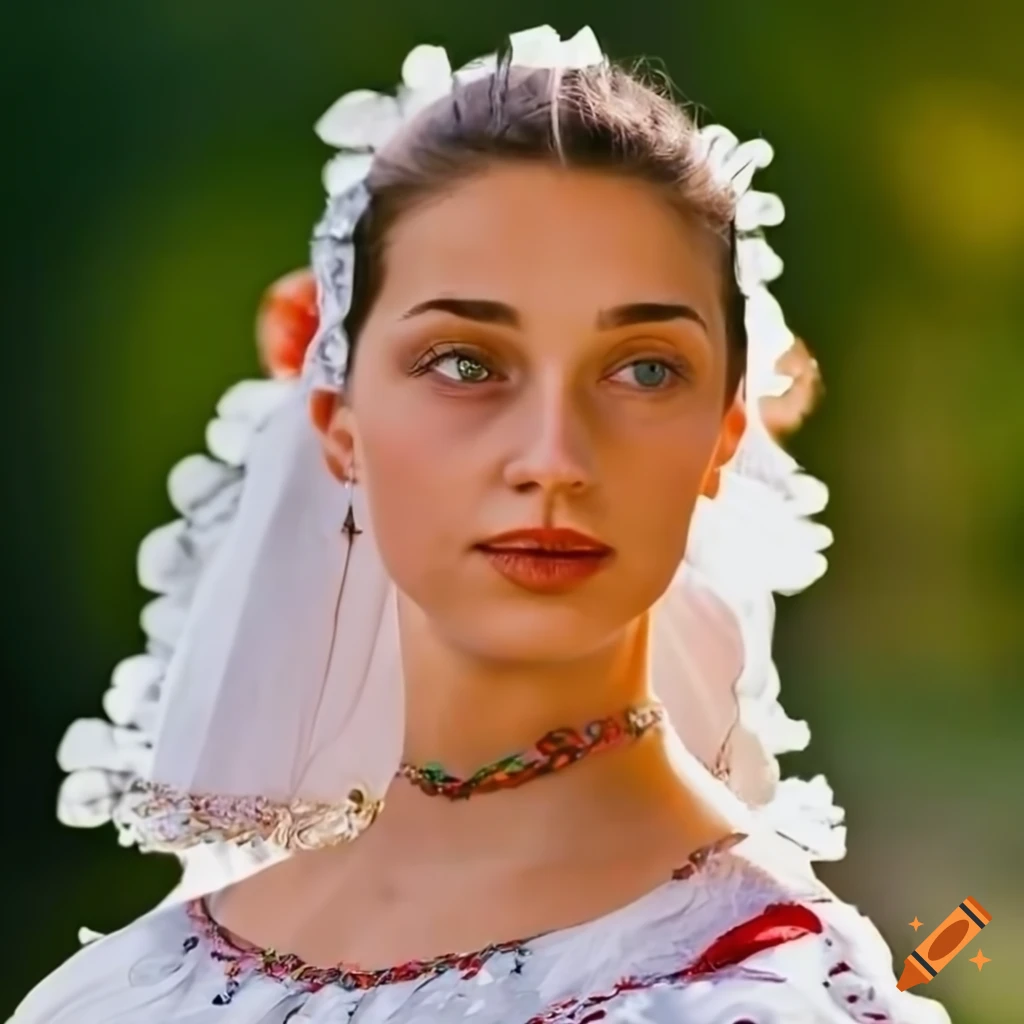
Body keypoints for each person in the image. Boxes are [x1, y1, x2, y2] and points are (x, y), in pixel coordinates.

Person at [14, 25, 951, 1024]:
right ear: (339, 426)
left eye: (642, 368)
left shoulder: (757, 994)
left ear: (723, 432)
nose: (552, 456)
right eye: (464, 362)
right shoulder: (122, 989)